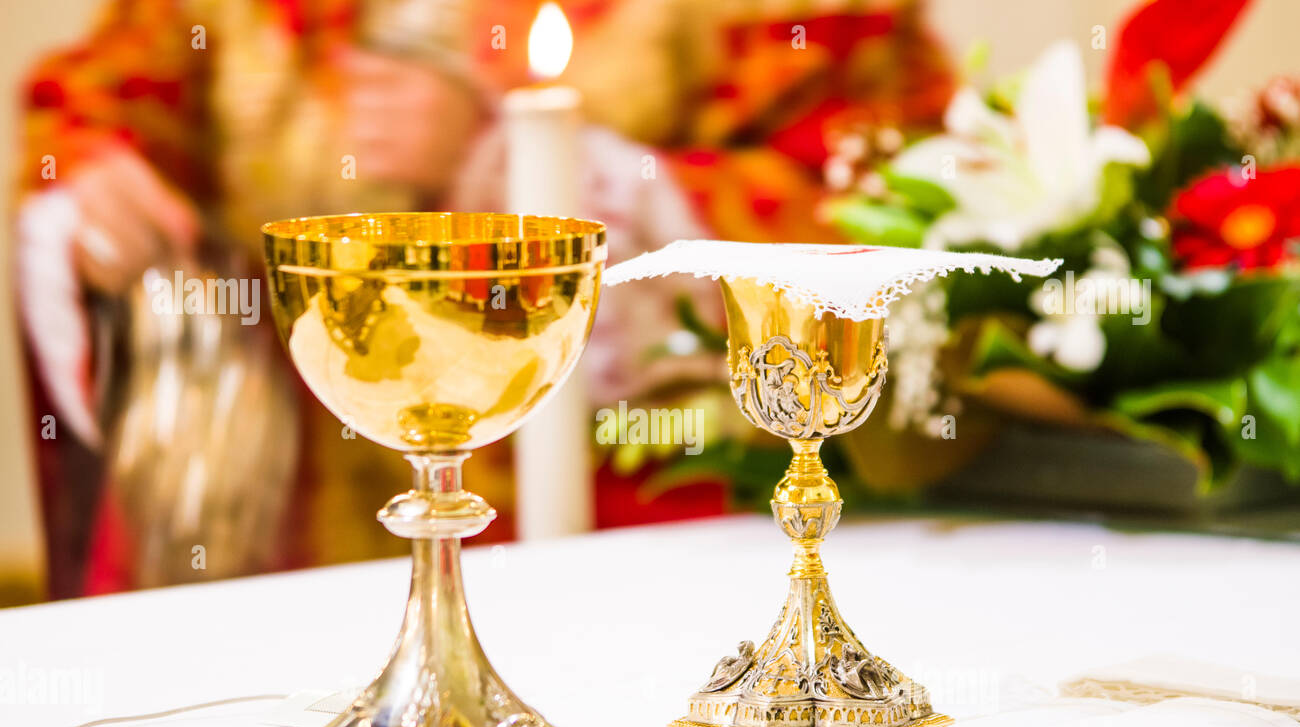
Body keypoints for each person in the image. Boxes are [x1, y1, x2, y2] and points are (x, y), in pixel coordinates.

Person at [16, 0, 952, 597]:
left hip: (654, 509)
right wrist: (92, 179)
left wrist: (516, 164)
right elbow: (99, 102)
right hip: (318, 531)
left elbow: (881, 210)